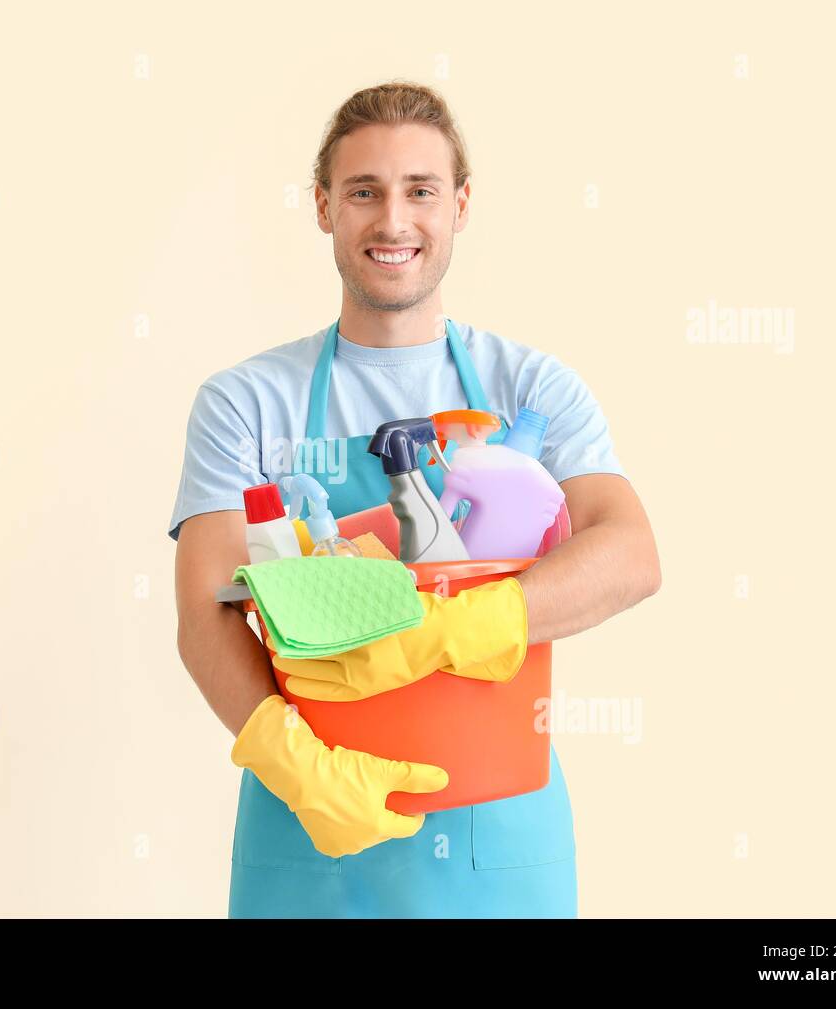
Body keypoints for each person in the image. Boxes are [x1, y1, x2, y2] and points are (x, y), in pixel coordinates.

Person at [169, 82, 661, 918]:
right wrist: (299, 767)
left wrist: (464, 626)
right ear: (323, 206)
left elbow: (631, 554)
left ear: (461, 204)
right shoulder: (246, 402)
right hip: (310, 833)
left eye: (420, 190)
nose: (392, 220)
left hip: (496, 834)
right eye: (363, 191)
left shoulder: (532, 386)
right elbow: (203, 613)